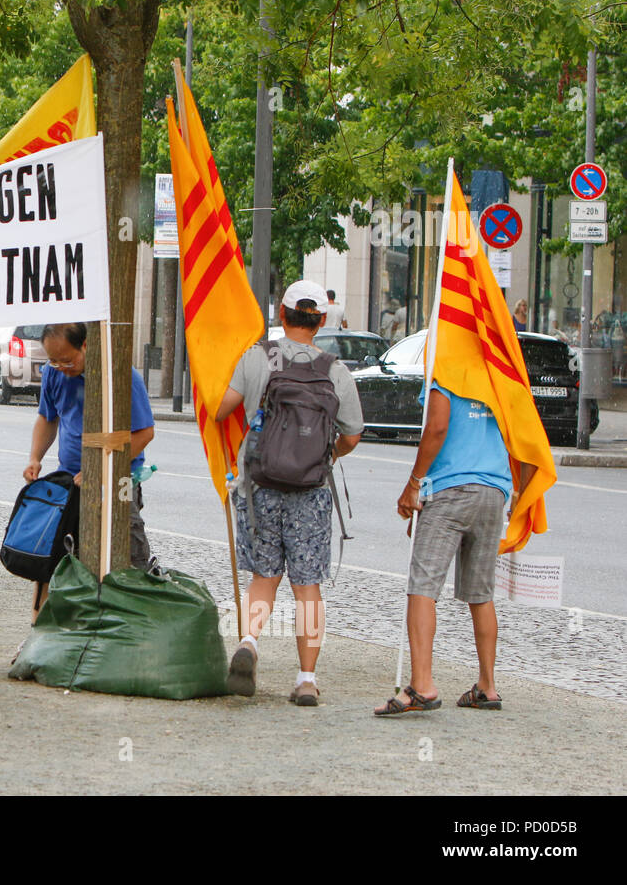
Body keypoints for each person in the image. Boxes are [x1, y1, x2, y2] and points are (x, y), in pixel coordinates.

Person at [215, 280, 363, 706]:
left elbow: (222, 407)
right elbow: (353, 435)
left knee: (264, 577)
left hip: (260, 486)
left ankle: (249, 641)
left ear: (282, 315)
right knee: (307, 586)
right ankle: (306, 679)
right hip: (311, 491)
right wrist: (321, 456)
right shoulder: (335, 370)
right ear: (319, 321)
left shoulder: (259, 357)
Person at [375, 382, 535, 716]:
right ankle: (487, 686)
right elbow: (529, 438)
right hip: (494, 492)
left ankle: (422, 685)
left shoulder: (445, 373)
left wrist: (414, 483)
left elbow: (437, 427)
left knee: (423, 586)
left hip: (449, 489)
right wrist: (518, 496)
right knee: (481, 593)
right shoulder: (498, 374)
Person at [23, 322, 156, 611]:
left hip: (119, 479)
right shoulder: (53, 374)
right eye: (53, 360)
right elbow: (48, 418)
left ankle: (125, 622)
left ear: (86, 345)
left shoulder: (122, 377)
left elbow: (144, 433)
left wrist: (101, 468)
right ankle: (41, 628)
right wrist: (35, 457)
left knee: (125, 556)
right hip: (71, 480)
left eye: (67, 360)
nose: (60, 366)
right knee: (55, 555)